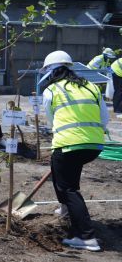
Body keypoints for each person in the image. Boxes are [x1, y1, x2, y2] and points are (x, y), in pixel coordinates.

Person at [40, 50, 107, 251]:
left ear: (51, 71)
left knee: (68, 188)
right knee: (68, 179)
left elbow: (52, 121)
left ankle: (86, 237)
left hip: (67, 144)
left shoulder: (51, 90)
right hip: (94, 145)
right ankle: (65, 210)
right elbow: (104, 119)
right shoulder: (92, 87)